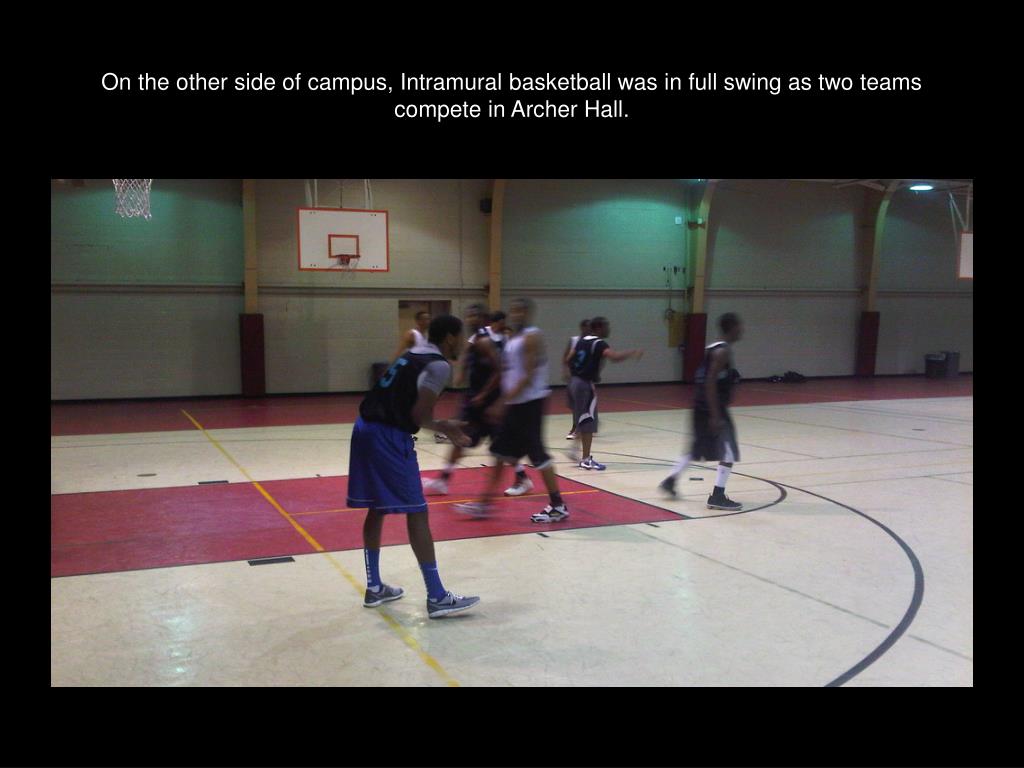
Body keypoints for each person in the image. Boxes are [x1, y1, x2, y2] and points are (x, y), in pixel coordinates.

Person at [348, 314, 480, 618]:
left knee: (378, 507)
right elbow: (420, 416)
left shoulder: (411, 354)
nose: (462, 343)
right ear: (449, 338)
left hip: (364, 427)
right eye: (461, 337)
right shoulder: (439, 365)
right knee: (417, 511)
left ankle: (374, 586)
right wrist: (445, 426)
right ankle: (436, 597)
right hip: (388, 436)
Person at [454, 297, 570, 523]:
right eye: (513, 311)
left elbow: (526, 375)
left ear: (528, 313)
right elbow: (508, 371)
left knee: (538, 454)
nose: (515, 314)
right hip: (516, 404)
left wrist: (501, 402)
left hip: (529, 404)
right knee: (499, 452)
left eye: (520, 311)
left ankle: (558, 505)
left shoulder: (531, 336)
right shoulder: (513, 337)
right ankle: (484, 504)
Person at [658, 313, 744, 510]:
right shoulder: (722, 352)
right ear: (732, 328)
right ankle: (717, 495)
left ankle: (670, 480)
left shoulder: (713, 348)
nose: (742, 330)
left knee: (696, 447)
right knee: (729, 451)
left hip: (701, 406)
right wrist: (715, 415)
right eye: (740, 326)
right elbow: (710, 382)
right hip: (711, 408)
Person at [422, 304, 503, 495]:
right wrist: (461, 372)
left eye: (474, 316)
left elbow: (500, 371)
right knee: (462, 439)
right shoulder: (473, 340)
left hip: (488, 402)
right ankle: (443, 480)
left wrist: (484, 395)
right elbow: (466, 359)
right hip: (475, 399)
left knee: (500, 446)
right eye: (468, 316)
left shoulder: (484, 341)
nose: (470, 319)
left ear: (483, 318)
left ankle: (520, 480)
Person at [567, 316, 643, 470]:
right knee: (589, 420)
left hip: (574, 382)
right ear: (599, 328)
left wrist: (580, 370)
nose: (610, 329)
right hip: (584, 384)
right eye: (607, 326)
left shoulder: (581, 341)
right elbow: (614, 357)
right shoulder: (598, 343)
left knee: (583, 417)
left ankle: (575, 449)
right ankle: (586, 458)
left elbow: (569, 358)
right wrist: (632, 352)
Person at [393, 310, 448, 444]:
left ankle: (437, 433)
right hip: (411, 375)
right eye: (424, 319)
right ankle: (403, 432)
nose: (427, 321)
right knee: (410, 405)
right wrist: (395, 370)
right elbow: (399, 353)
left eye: (429, 319)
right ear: (418, 321)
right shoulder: (412, 334)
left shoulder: (430, 336)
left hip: (425, 375)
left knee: (428, 404)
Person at [562, 319, 592, 440]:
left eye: (591, 327)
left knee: (583, 404)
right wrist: (565, 371)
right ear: (582, 327)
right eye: (587, 327)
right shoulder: (574, 340)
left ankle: (577, 427)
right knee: (574, 405)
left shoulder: (593, 342)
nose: (589, 330)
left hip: (585, 377)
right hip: (574, 376)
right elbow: (566, 358)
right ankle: (582, 425)